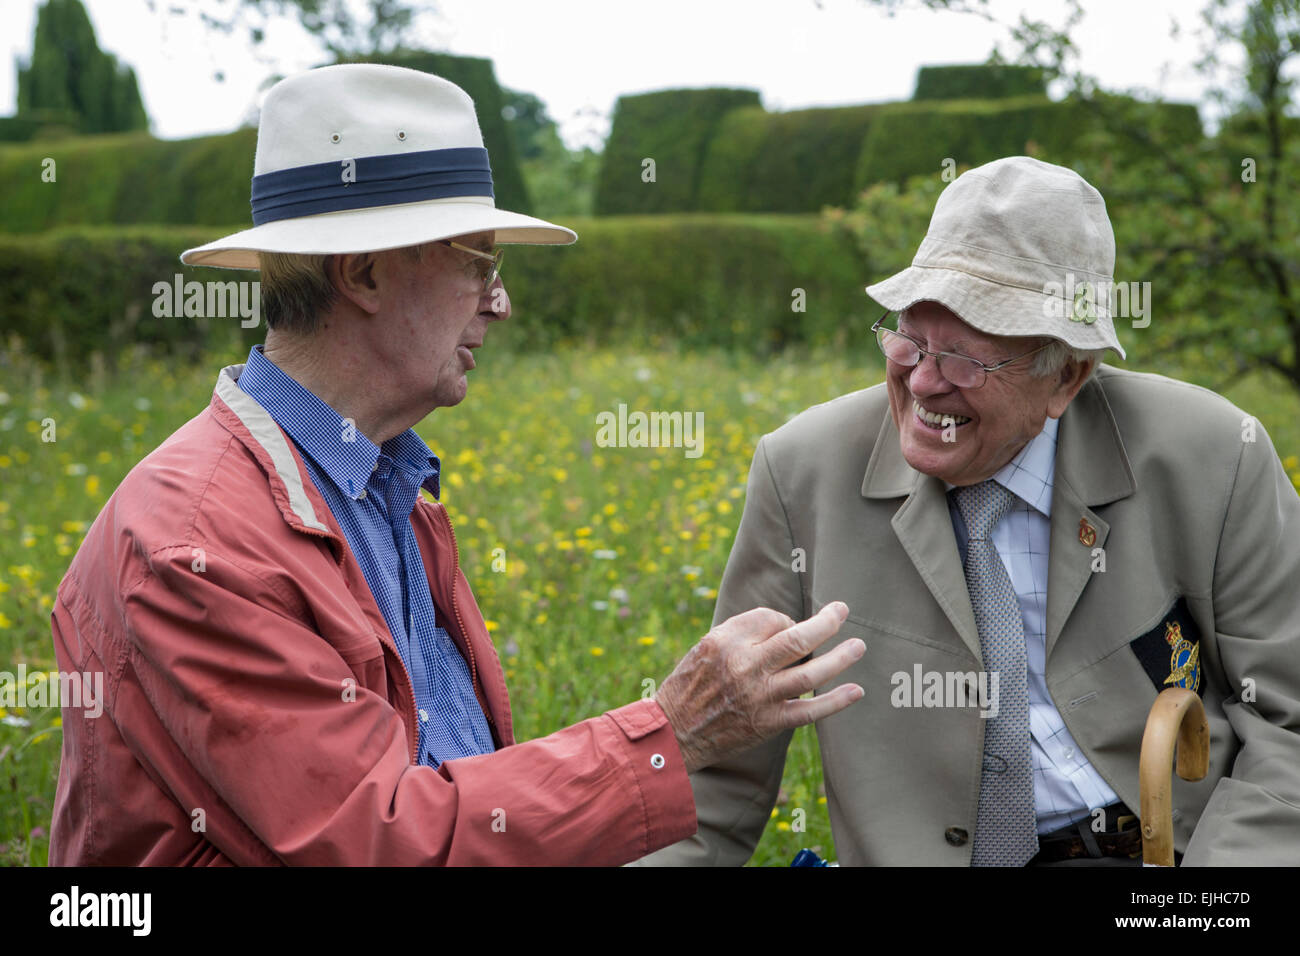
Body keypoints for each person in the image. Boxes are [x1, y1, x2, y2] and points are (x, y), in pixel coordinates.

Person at [46, 63, 867, 866]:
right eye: (478, 262)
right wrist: (667, 733)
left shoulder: (376, 483)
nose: (500, 303)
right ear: (363, 273)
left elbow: (453, 790)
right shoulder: (197, 545)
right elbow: (379, 840)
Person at [637, 156, 1300, 866]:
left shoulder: (1210, 454)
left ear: (1068, 375)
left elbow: (1288, 722)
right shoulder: (801, 471)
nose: (923, 383)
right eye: (909, 341)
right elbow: (718, 770)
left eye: (964, 362)